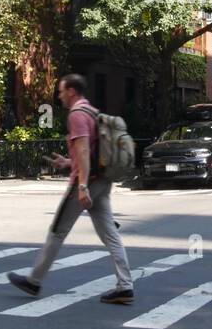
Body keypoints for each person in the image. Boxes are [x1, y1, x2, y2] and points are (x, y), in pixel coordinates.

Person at [8, 74, 134, 304]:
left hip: (86, 183)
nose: (59, 96)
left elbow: (85, 151)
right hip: (102, 181)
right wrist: (68, 162)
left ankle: (34, 281)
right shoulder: (92, 112)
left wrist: (82, 186)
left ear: (72, 91)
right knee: (110, 234)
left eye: (61, 91)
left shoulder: (77, 115)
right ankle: (125, 286)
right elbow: (90, 152)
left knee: (57, 230)